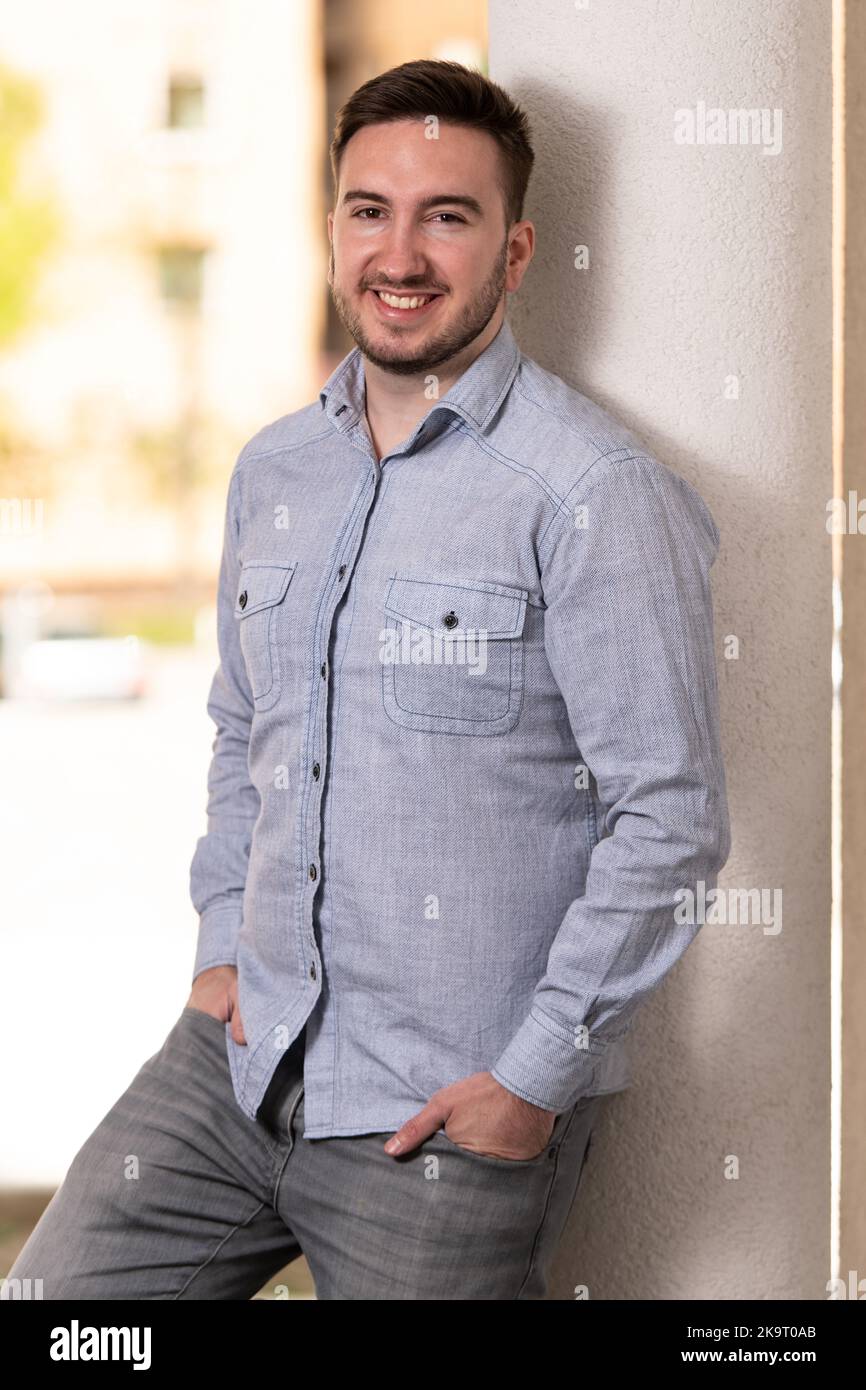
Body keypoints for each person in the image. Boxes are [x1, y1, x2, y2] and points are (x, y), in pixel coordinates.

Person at [7, 58, 730, 1300]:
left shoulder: (591, 495)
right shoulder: (275, 472)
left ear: (513, 253)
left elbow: (669, 816)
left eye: (446, 215)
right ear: (332, 229)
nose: (399, 253)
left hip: (438, 1119)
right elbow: (245, 732)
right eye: (367, 210)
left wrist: (530, 1078)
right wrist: (217, 949)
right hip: (238, 1065)